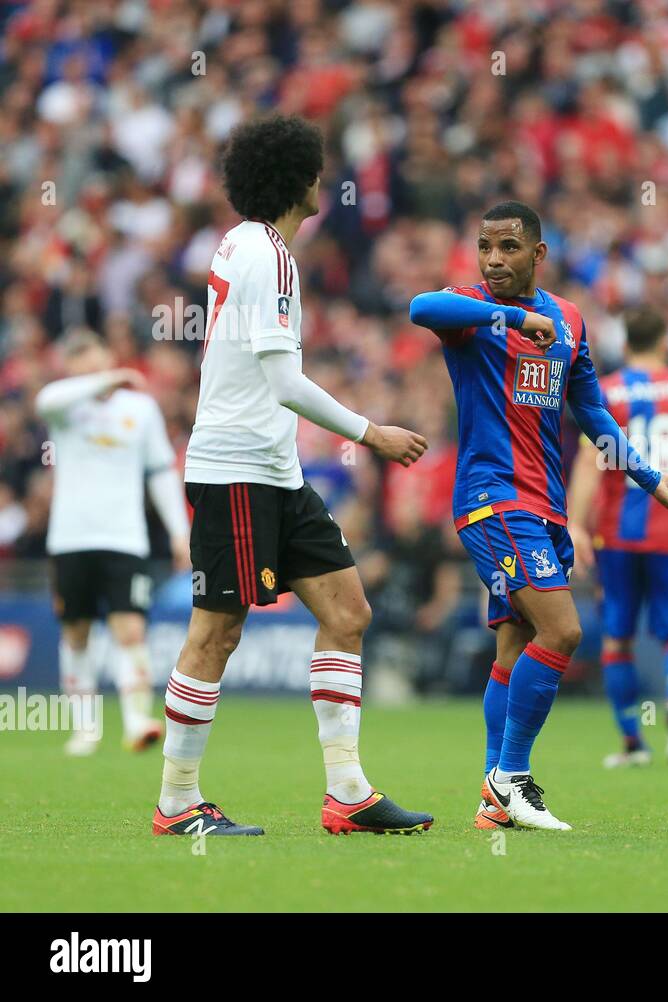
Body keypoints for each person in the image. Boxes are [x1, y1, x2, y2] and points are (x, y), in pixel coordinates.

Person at [154, 113, 433, 837]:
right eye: (317, 169)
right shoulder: (269, 255)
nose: (323, 181)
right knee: (217, 632)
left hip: (273, 469)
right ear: (300, 179)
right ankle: (177, 803)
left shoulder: (246, 244)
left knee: (347, 612)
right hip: (238, 466)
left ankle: (348, 793)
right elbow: (284, 380)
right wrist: (372, 433)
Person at [409, 201, 668, 831]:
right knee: (564, 631)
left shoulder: (569, 319)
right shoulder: (473, 311)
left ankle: (493, 800)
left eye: (509, 248)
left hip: (544, 506)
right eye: (485, 246)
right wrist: (510, 314)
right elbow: (420, 308)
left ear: (538, 254)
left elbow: (593, 415)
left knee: (514, 647)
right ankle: (511, 776)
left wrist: (652, 481)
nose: (493, 259)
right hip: (492, 498)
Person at [566, 305, 668, 768]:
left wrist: (576, 524)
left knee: (618, 639)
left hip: (617, 534)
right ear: (665, 342)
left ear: (625, 344)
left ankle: (633, 742)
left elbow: (590, 465)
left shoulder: (608, 392)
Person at [35, 330, 189, 756]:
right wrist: (107, 380)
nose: (89, 366)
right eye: (78, 361)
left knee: (130, 628)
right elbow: (46, 400)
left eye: (94, 356)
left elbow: (160, 471)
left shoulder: (140, 409)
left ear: (106, 354)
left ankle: (138, 719)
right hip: (70, 537)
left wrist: (179, 531)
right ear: (71, 369)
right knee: (77, 632)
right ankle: (85, 730)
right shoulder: (65, 408)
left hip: (125, 537)